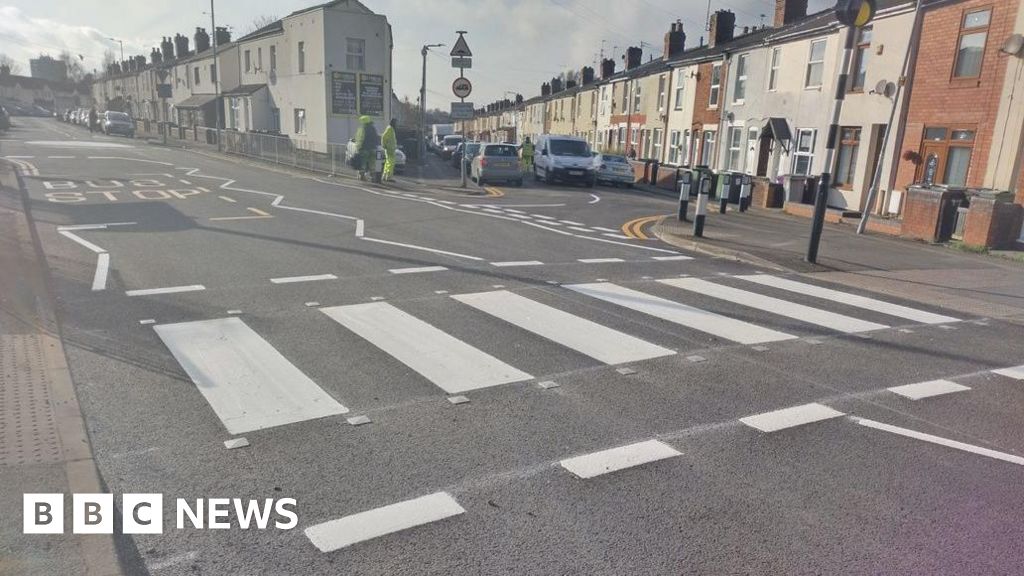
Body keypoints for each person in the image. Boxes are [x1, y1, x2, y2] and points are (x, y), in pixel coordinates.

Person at [353, 115, 379, 181]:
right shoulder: (373, 128)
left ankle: (362, 176)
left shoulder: (362, 128)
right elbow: (376, 138)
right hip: (373, 148)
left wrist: (358, 147)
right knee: (372, 163)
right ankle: (373, 177)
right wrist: (376, 146)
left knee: (363, 163)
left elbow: (360, 138)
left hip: (364, 148)